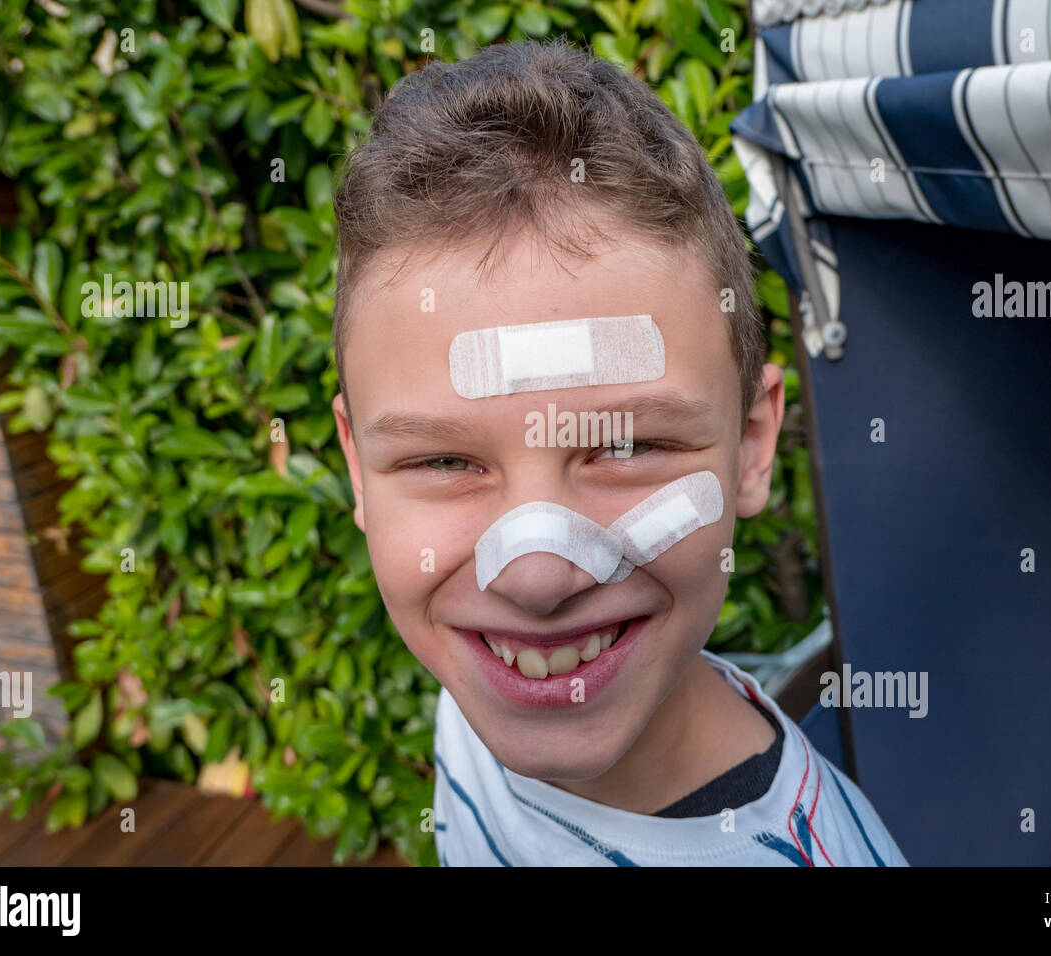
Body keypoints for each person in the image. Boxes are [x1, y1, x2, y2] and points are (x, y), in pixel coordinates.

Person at [330, 38, 906, 866]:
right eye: (445, 463)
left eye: (628, 446)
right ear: (358, 468)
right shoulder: (481, 673)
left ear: (750, 447)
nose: (532, 575)